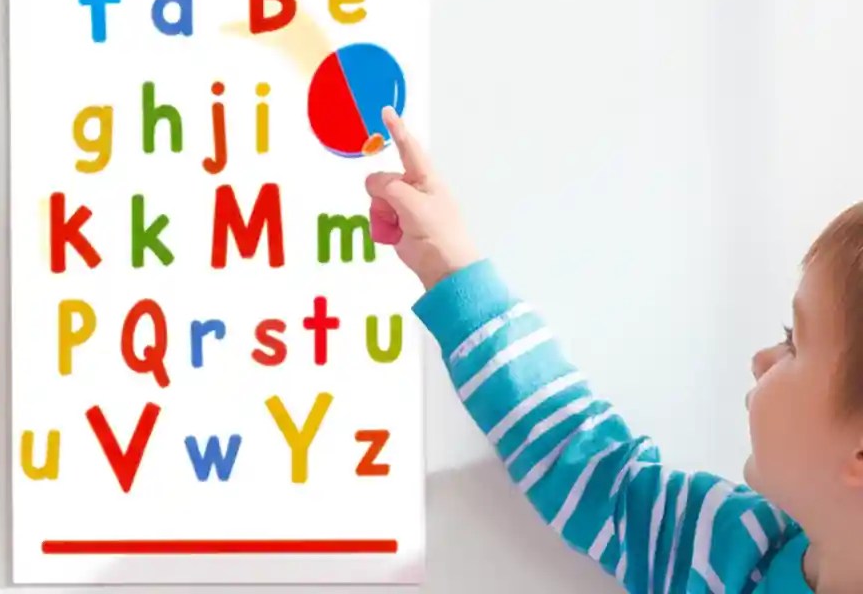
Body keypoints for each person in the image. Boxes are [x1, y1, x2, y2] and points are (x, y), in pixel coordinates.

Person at [365, 106, 863, 593]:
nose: (762, 360)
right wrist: (449, 265)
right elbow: (589, 462)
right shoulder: (733, 553)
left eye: (793, 343)